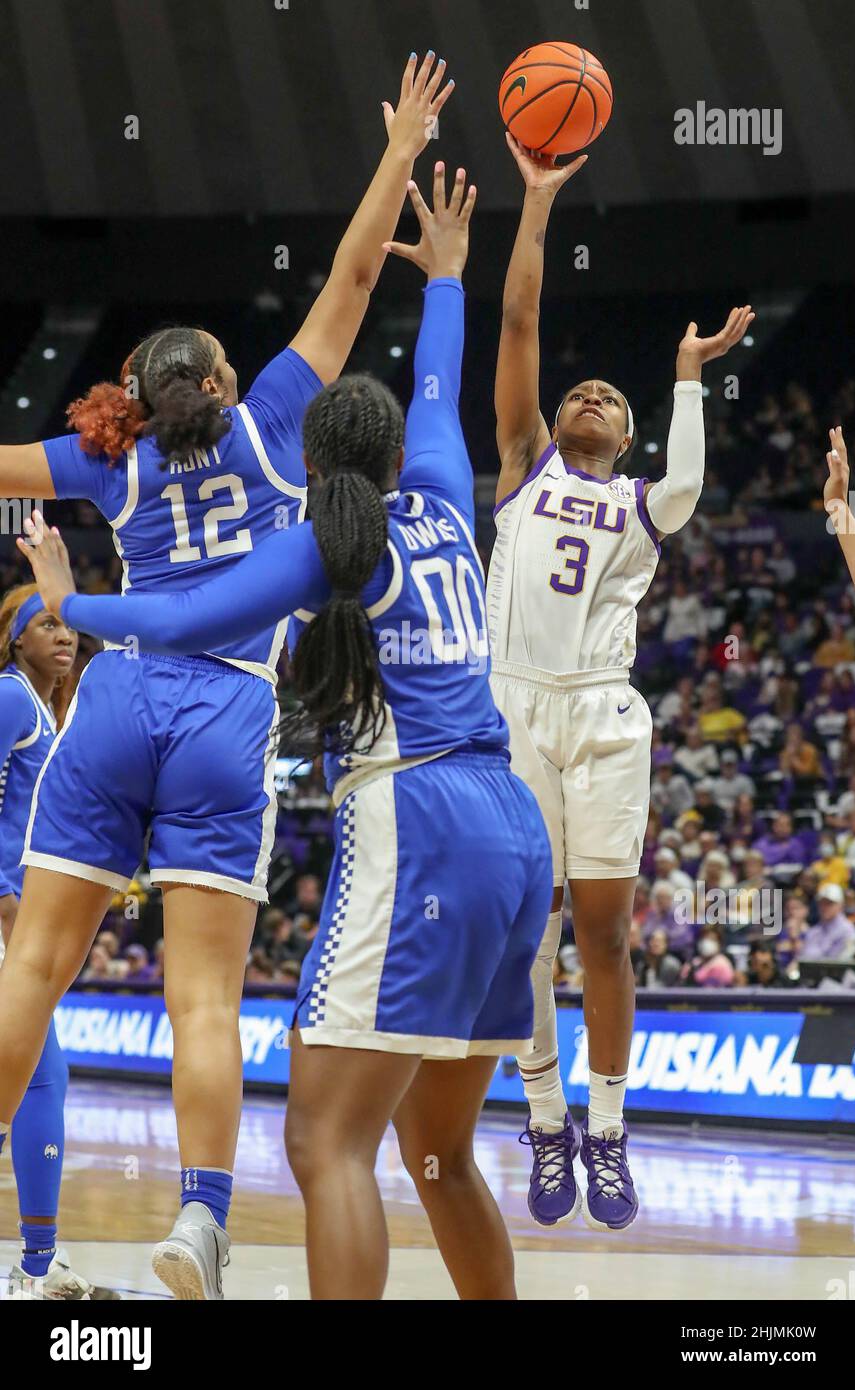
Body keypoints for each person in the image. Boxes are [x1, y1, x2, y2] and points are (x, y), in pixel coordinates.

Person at [14, 165, 553, 1303]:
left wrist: (68, 608)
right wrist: (444, 261)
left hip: (353, 785)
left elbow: (175, 616)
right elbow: (427, 365)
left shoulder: (289, 537)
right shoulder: (441, 495)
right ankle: (201, 1218)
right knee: (427, 1144)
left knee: (319, 1141)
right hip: (504, 817)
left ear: (316, 463)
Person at [484, 129, 753, 1229]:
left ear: (628, 432)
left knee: (600, 933)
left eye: (609, 394)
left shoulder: (645, 505)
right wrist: (537, 204)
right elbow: (519, 324)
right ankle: (542, 1119)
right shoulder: (522, 465)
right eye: (577, 389)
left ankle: (605, 1126)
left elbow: (687, 478)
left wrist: (688, 378)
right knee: (524, 934)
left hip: (600, 714)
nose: (586, 393)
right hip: (508, 707)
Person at [0, 585, 116, 1298]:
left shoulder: (49, 709)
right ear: (16, 640)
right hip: (6, 916)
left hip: (27, 920)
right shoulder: (11, 695)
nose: (62, 635)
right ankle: (38, 1265)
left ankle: (39, 1264)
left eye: (67, 624)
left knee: (41, 1074)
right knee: (40, 1074)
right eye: (46, 624)